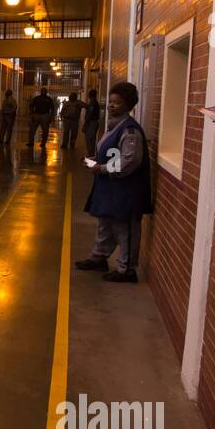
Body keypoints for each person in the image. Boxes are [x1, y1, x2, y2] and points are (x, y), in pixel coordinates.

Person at [76, 81, 153, 283]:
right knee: (105, 223)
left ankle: (126, 269)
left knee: (124, 228)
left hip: (125, 191)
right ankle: (99, 257)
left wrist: (100, 168)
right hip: (109, 189)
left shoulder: (130, 131)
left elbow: (129, 161)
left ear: (128, 105)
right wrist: (94, 158)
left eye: (117, 103)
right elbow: (111, 153)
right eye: (110, 102)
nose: (111, 105)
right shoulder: (113, 127)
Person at [83, 88, 102, 157]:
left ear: (90, 95)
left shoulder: (93, 103)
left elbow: (89, 114)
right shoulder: (94, 102)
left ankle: (91, 155)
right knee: (91, 139)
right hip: (93, 122)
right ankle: (91, 154)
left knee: (90, 139)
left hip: (91, 123)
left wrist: (85, 124)